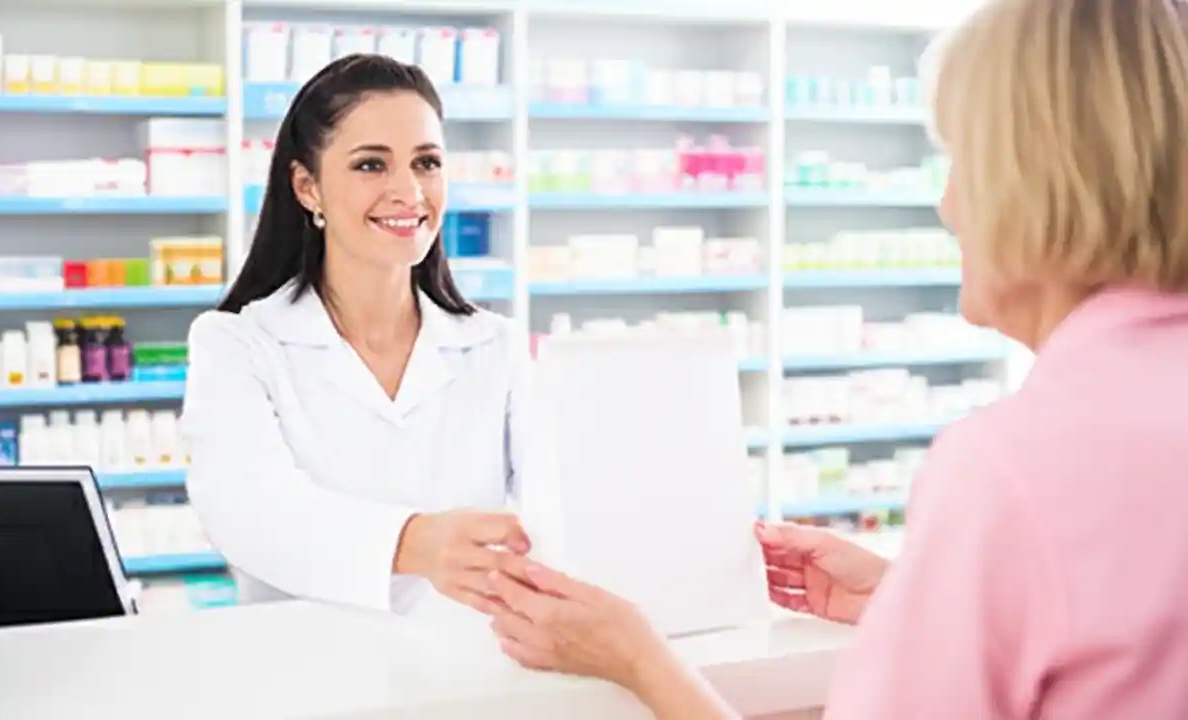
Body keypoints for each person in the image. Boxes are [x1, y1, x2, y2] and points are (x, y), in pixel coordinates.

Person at [487, 0, 1188, 716]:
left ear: (1041, 184)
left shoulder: (1013, 468)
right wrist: (913, 596)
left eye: (964, 162)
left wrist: (634, 657)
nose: (947, 205)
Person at [181, 54, 531, 615]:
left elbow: (558, 514)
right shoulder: (238, 344)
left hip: (468, 660)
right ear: (307, 187)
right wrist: (415, 542)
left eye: (426, 163)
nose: (409, 191)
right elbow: (248, 511)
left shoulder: (496, 347)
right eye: (371, 165)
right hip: (309, 663)